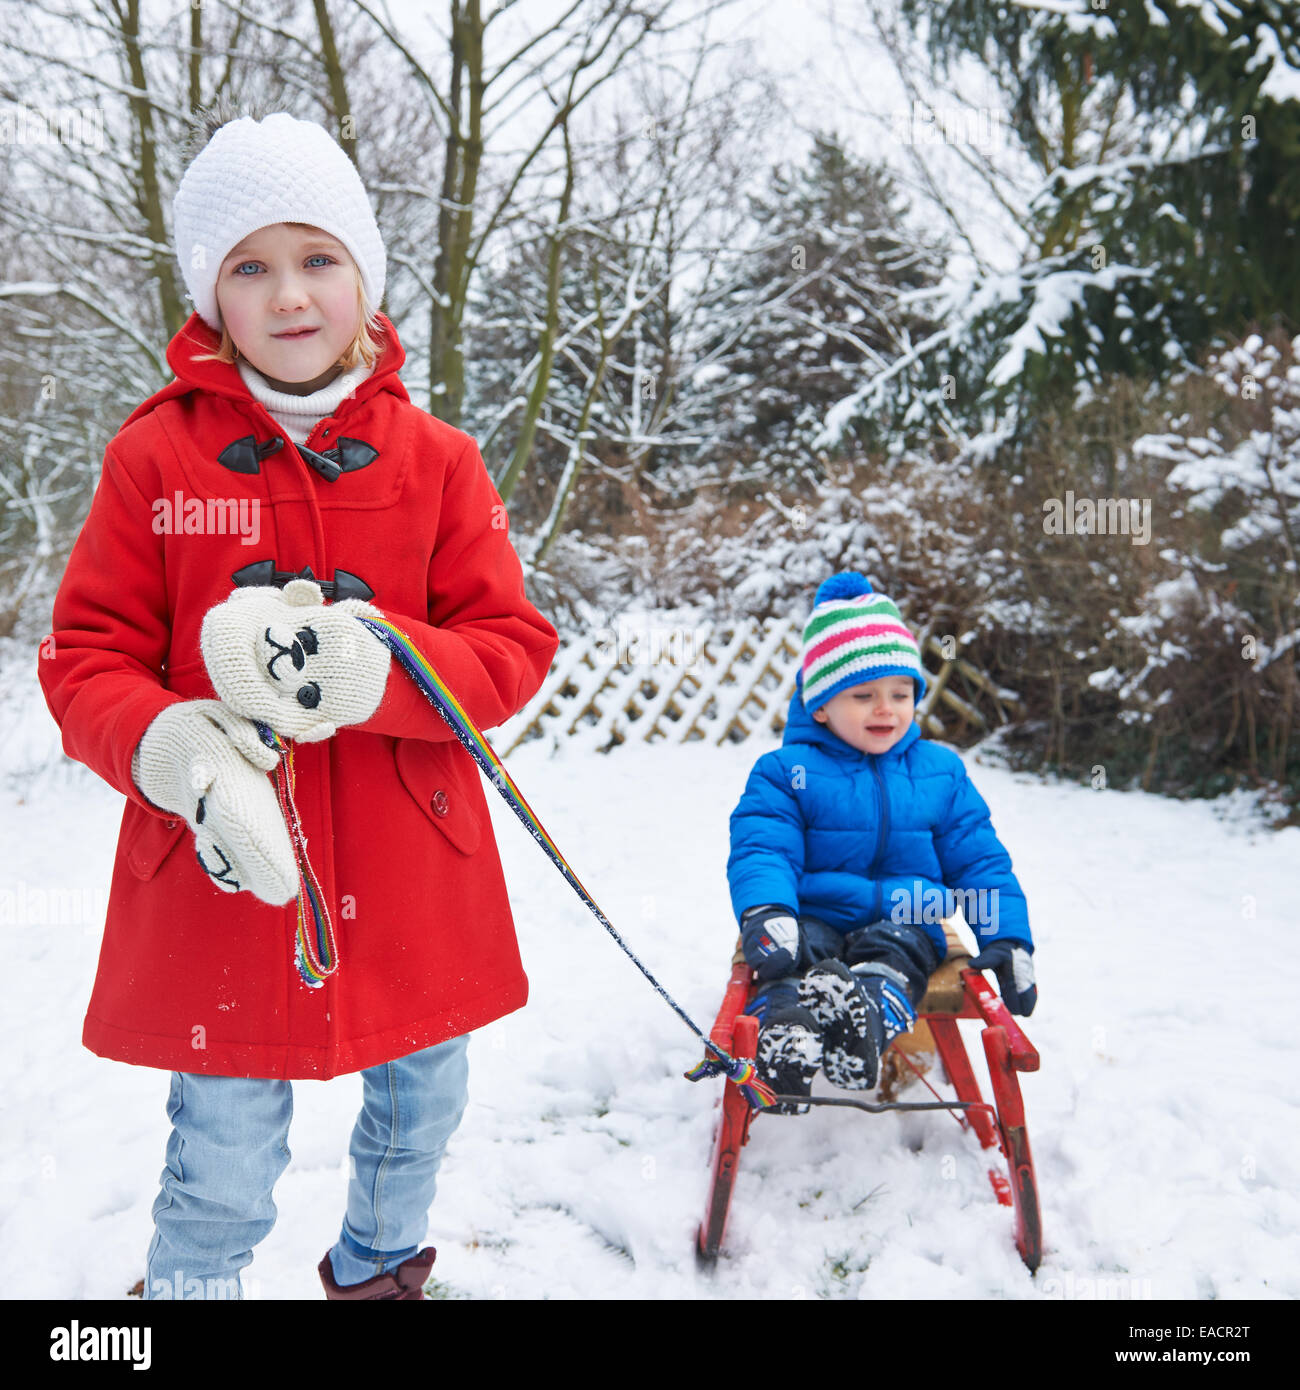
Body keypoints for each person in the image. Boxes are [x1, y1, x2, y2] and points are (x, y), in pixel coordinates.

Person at [36, 107, 559, 1299]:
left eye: (318, 258)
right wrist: (164, 741)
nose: (287, 294)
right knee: (221, 1142)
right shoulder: (154, 461)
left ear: (364, 279)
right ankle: (184, 1295)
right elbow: (84, 656)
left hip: (414, 859)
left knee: (421, 1105)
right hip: (231, 865)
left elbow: (511, 646)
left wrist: (388, 669)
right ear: (211, 294)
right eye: (250, 266)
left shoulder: (440, 461)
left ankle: (378, 1270)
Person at [727, 572, 1036, 1113]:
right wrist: (768, 909)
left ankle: (864, 1022)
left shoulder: (939, 771)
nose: (886, 709)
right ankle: (788, 1039)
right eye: (863, 695)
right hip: (815, 911)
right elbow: (763, 847)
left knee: (896, 951)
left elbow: (979, 859)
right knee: (795, 958)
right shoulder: (784, 771)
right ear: (820, 705)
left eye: (901, 693)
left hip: (908, 915)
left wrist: (1009, 938)